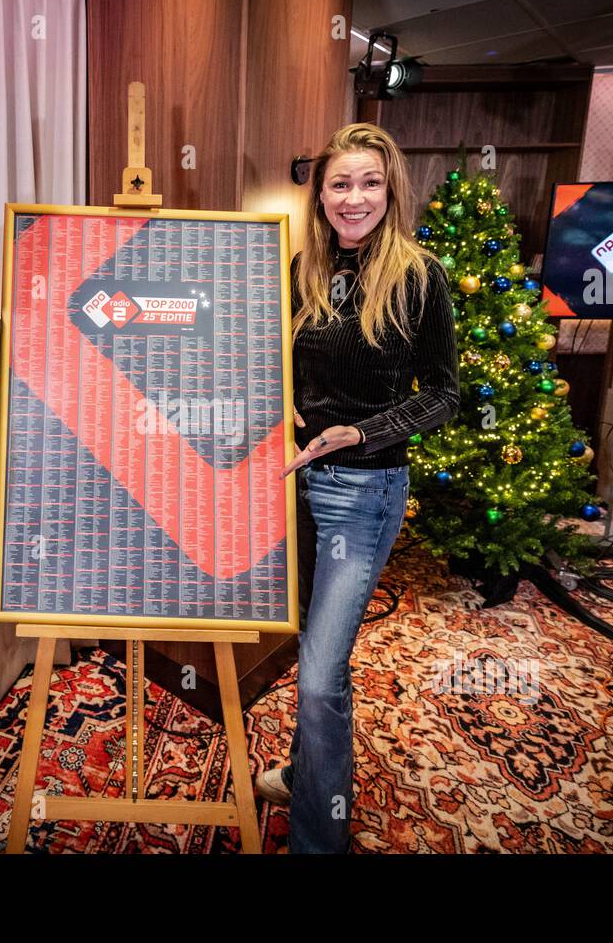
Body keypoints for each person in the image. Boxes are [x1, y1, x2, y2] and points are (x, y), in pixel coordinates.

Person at [257, 122, 460, 853]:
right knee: (311, 648)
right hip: (295, 489)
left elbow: (443, 395)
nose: (354, 197)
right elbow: (273, 368)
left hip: (363, 493)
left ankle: (321, 836)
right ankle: (310, 771)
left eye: (369, 182)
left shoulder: (419, 275)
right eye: (340, 182)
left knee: (318, 677)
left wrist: (362, 433)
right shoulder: (302, 270)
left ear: (391, 190)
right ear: (322, 193)